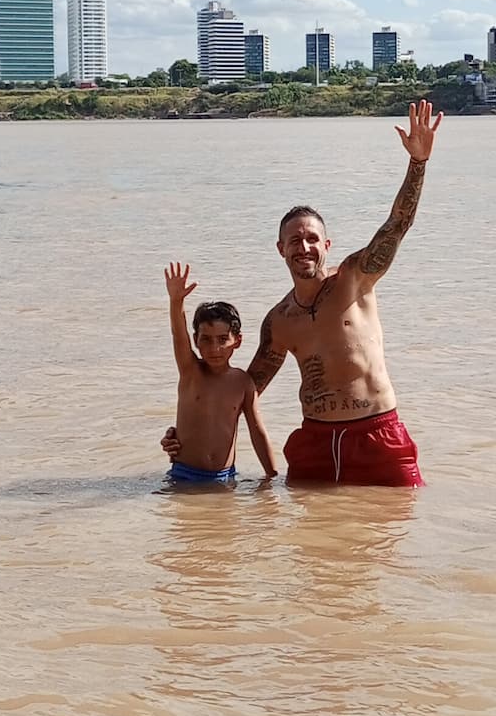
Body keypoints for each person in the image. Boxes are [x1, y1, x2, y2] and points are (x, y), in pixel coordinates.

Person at [163, 100, 442, 485]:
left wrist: (418, 163)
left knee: (392, 535)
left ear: (327, 244)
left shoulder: (355, 278)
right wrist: (183, 434)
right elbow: (235, 390)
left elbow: (396, 225)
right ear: (281, 249)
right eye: (294, 240)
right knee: (305, 543)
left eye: (312, 238)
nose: (304, 247)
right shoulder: (280, 321)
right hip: (315, 441)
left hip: (377, 434)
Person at [163, 262, 278, 483]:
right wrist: (176, 301)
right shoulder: (191, 371)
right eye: (205, 340)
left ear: (238, 341)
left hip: (225, 478)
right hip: (184, 475)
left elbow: (257, 432)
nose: (214, 349)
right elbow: (179, 335)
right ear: (196, 340)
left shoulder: (243, 382)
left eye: (222, 339)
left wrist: (271, 478)